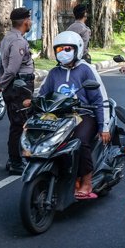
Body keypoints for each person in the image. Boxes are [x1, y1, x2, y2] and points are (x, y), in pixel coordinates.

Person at [38, 31, 107, 199]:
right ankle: (65, 175)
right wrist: (32, 102)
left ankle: (87, 181)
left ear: (78, 49)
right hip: (59, 116)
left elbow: (100, 99)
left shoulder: (86, 70)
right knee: (51, 141)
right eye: (59, 49)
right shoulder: (54, 73)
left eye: (67, 49)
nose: (63, 52)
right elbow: (42, 95)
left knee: (79, 141)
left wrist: (103, 126)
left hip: (84, 114)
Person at [0, 7, 35, 175]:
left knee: (17, 124)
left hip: (14, 87)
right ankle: (16, 162)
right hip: (20, 88)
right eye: (30, 19)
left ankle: (14, 159)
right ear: (25, 22)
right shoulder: (18, 42)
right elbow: (12, 69)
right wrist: (1, 83)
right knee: (20, 125)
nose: (31, 22)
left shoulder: (7, 38)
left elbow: (4, 67)